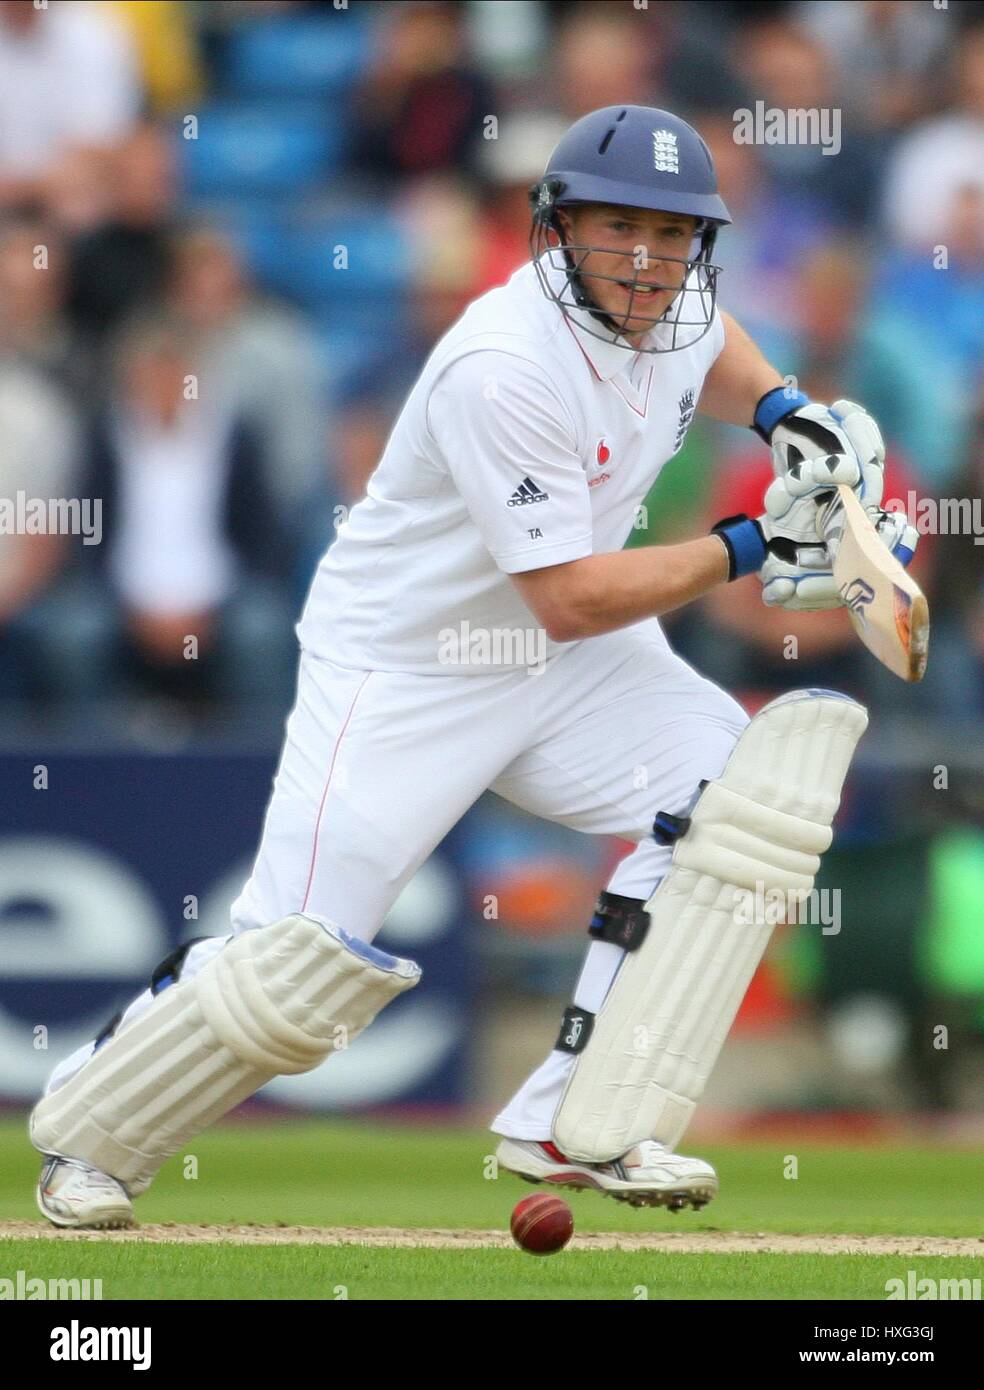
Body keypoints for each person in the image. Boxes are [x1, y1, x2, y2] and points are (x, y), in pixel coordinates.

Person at [30, 105, 916, 1229]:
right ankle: (89, 1136)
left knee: (742, 802)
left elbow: (717, 343)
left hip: (570, 668)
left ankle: (578, 1117)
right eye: (618, 226)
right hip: (407, 667)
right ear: (556, 229)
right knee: (291, 973)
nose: (645, 257)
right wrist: (750, 545)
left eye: (673, 232)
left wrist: (787, 412)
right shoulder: (500, 367)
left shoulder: (681, 305)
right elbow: (569, 593)